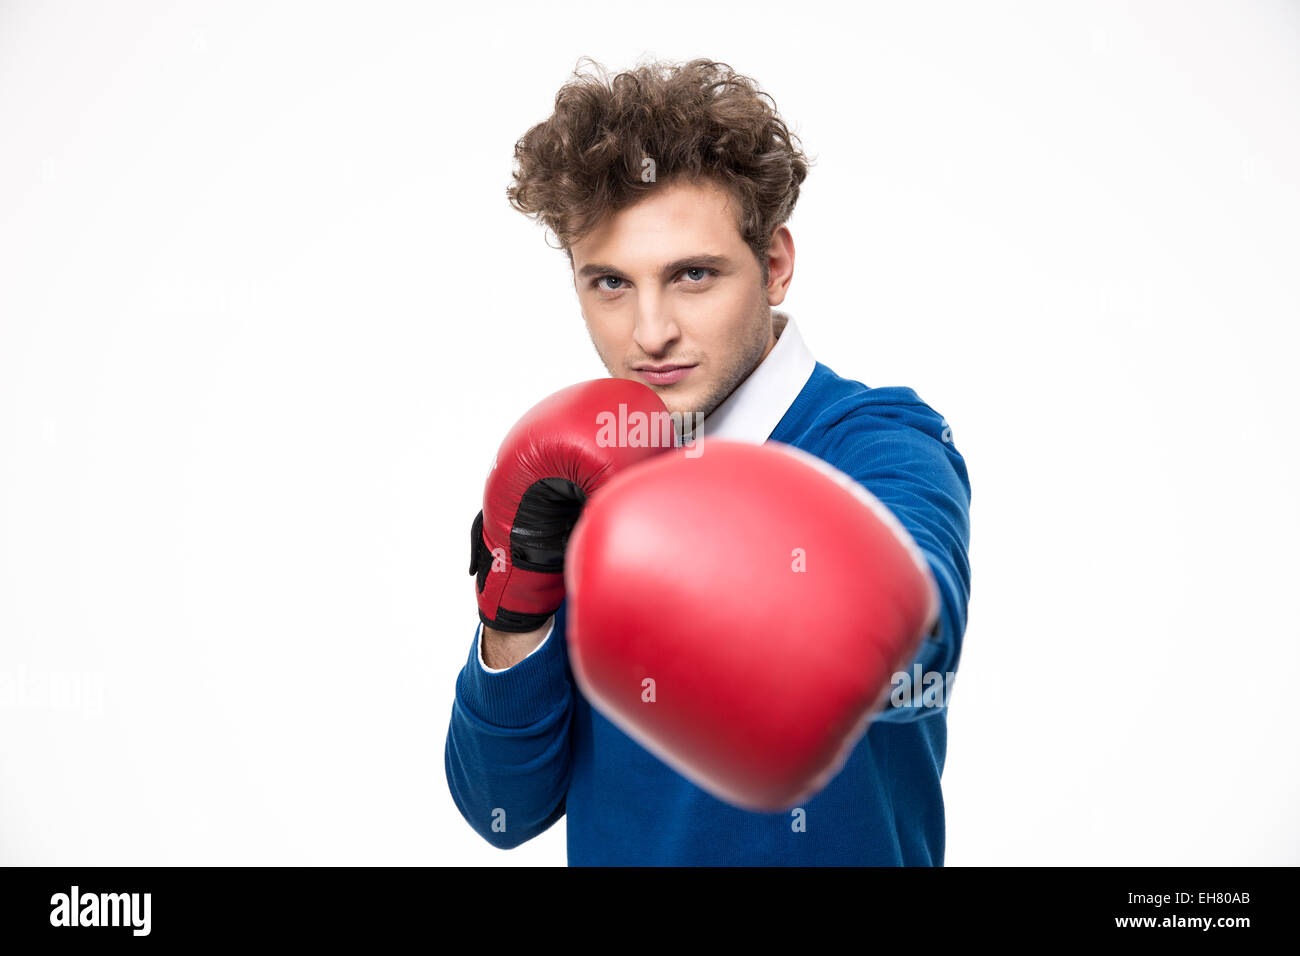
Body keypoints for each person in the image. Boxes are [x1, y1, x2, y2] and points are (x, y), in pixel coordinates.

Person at [444, 57, 972, 865]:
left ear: (775, 265)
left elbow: (905, 651)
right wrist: (518, 609)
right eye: (611, 284)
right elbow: (500, 809)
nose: (650, 333)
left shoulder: (879, 441)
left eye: (693, 275)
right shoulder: (585, 469)